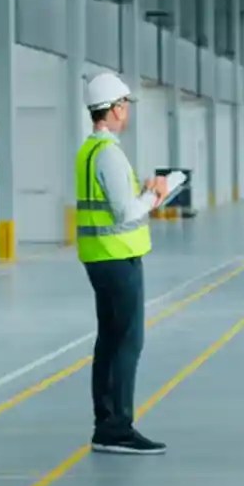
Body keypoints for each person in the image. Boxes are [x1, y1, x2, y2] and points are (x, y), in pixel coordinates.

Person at [75, 71, 169, 455]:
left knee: (111, 340)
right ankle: (117, 428)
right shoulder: (109, 154)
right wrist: (155, 196)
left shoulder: (89, 150)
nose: (126, 112)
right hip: (117, 257)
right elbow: (124, 213)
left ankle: (107, 425)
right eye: (124, 105)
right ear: (114, 109)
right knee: (127, 341)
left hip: (102, 257)